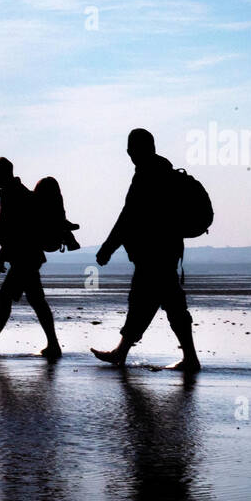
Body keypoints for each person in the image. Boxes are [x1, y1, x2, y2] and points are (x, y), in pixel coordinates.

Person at [90, 128, 201, 372]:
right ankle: (122, 352)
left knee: (159, 303)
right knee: (150, 303)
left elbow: (127, 217)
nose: (130, 154)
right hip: (165, 252)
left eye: (132, 149)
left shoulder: (146, 176)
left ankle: (190, 359)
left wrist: (107, 248)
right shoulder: (164, 172)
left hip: (154, 255)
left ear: (135, 150)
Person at [0, 157, 62, 360]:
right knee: (37, 301)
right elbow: (9, 230)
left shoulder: (14, 194)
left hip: (25, 258)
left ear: (3, 174)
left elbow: (15, 231)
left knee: (5, 296)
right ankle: (53, 345)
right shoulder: (12, 192)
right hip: (28, 256)